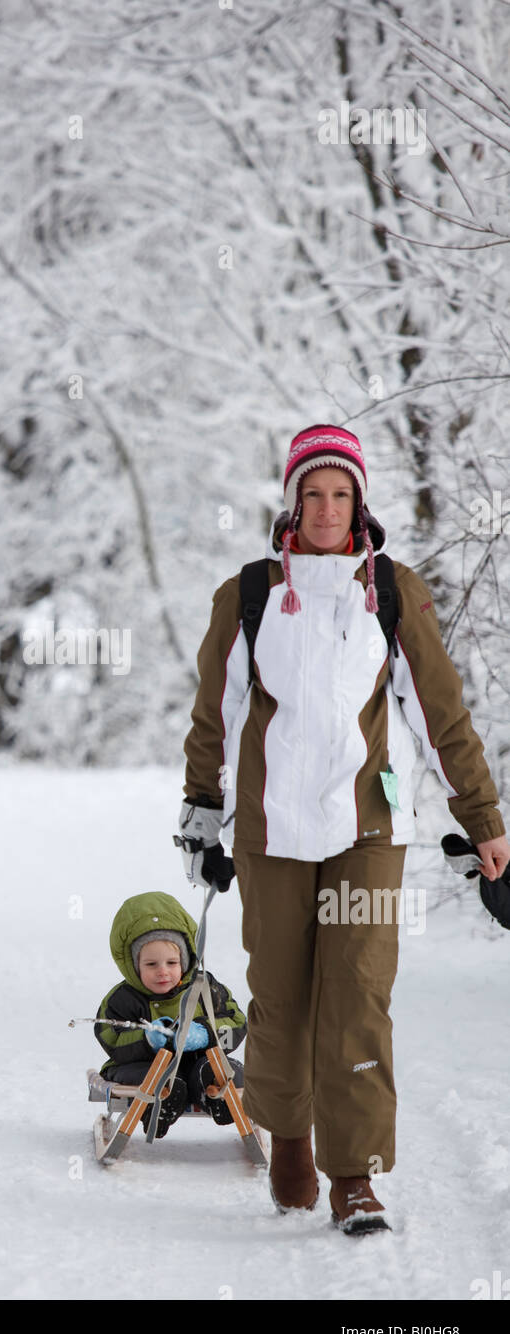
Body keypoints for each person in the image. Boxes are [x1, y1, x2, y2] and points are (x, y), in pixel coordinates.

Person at [177, 423, 510, 1235]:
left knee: (358, 995)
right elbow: (214, 718)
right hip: (271, 831)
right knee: (282, 999)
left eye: (342, 493)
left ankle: (354, 1174)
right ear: (292, 500)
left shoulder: (391, 591)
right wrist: (202, 816)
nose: (327, 508)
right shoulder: (249, 594)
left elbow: (440, 716)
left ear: (360, 501)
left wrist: (483, 817)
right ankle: (289, 1137)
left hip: (367, 829)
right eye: (312, 492)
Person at [94, 891, 247, 1136]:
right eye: (151, 964)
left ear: (185, 961)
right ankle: (163, 1102)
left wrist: (205, 1033)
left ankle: (219, 1099)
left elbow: (237, 1022)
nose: (162, 972)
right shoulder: (123, 998)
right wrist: (147, 1039)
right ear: (134, 966)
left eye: (172, 963)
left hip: (200, 1060)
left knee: (222, 1069)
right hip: (145, 1064)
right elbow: (112, 1039)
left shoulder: (204, 988)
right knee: (151, 1076)